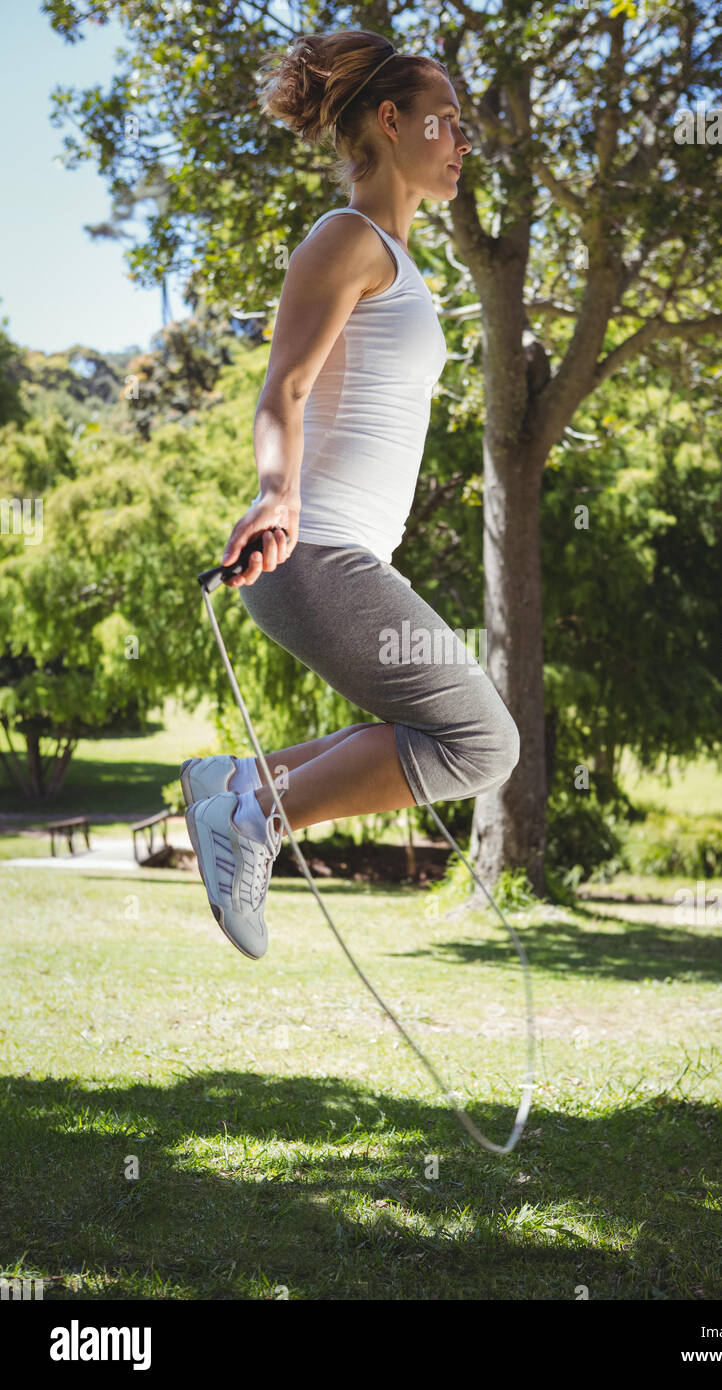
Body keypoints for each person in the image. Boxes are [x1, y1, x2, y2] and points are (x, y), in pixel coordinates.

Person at [182, 29, 519, 960]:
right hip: (313, 551)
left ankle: (236, 783)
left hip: (347, 557)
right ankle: (251, 811)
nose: (462, 140)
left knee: (454, 736)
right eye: (446, 119)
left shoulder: (402, 265)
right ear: (391, 121)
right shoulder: (347, 239)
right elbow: (283, 387)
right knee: (480, 743)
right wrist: (276, 494)